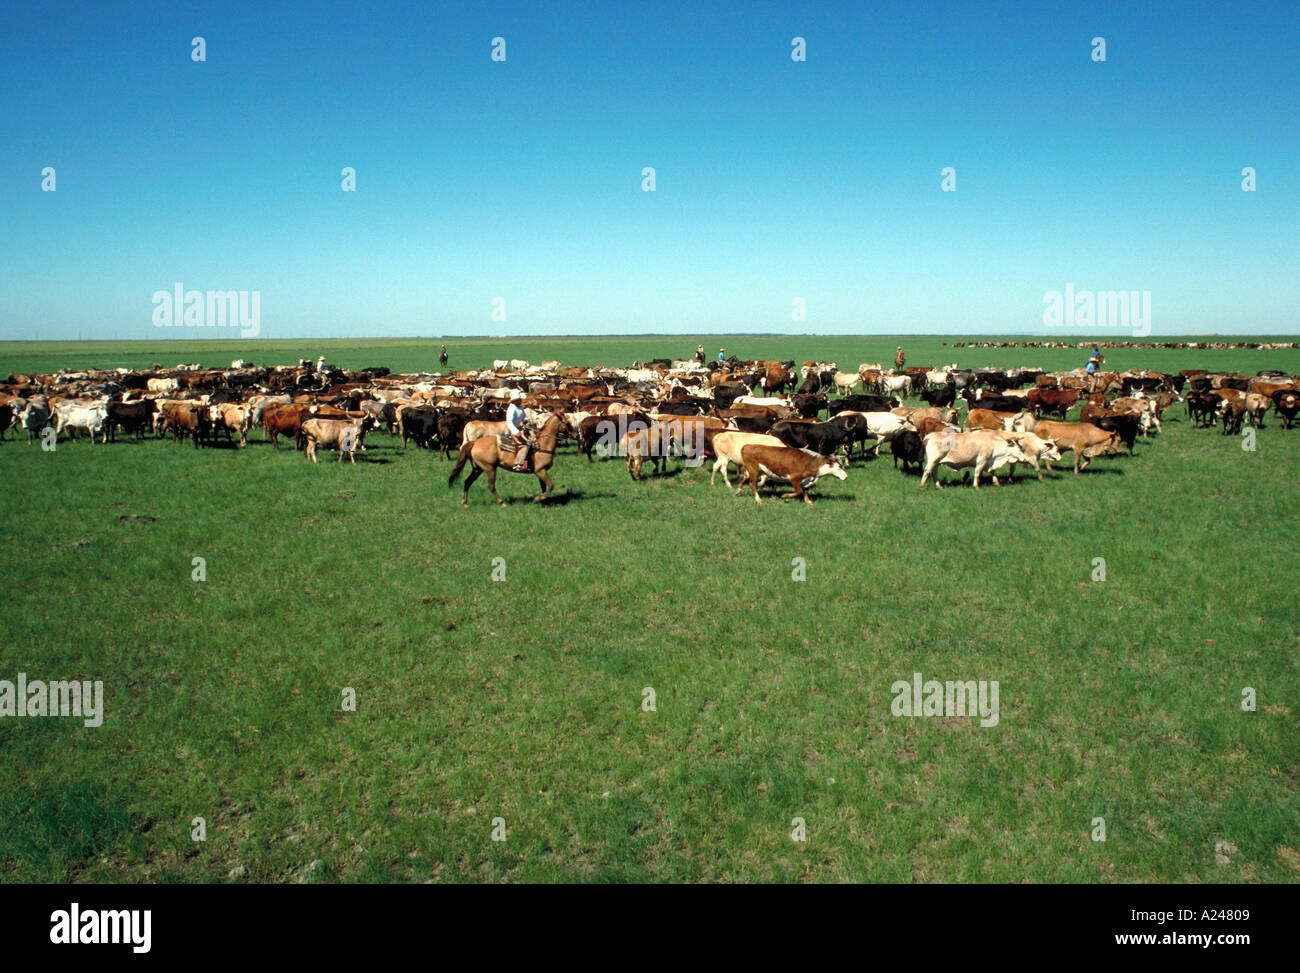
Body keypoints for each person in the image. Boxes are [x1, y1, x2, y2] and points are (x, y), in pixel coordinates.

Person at [506, 390, 535, 471]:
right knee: (524, 445)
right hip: (513, 431)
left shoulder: (520, 407)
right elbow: (509, 422)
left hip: (522, 429)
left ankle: (529, 462)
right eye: (519, 399)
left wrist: (525, 420)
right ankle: (518, 464)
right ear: (515, 400)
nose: (521, 401)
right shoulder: (511, 409)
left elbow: (524, 416)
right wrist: (515, 431)